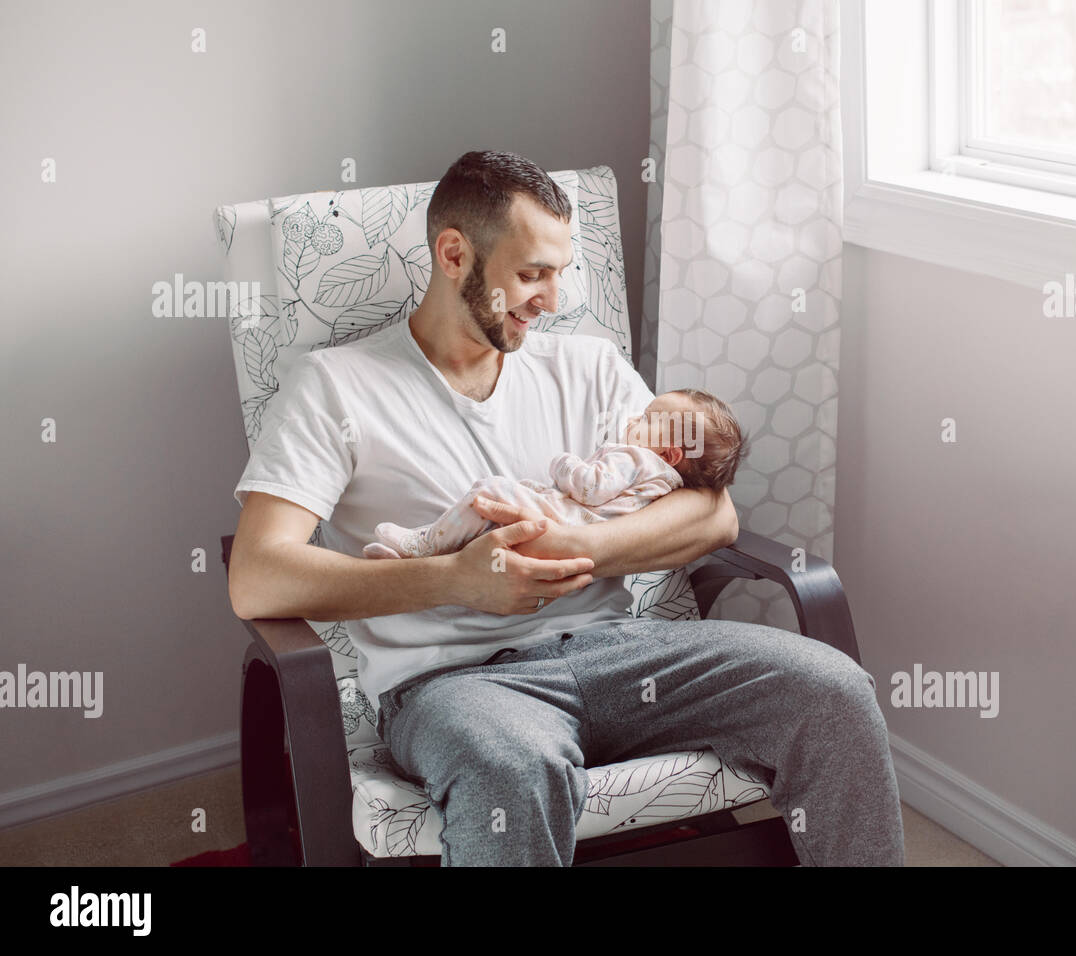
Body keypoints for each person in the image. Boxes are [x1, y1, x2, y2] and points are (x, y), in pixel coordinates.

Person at [227, 149, 905, 866]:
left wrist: (572, 552)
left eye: (560, 271)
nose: (552, 299)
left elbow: (713, 515)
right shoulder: (336, 386)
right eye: (531, 275)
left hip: (627, 655)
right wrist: (458, 579)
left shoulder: (588, 365)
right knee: (513, 770)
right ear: (454, 254)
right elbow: (259, 575)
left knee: (833, 691)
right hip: (457, 686)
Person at [360, 388, 748, 559]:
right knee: (503, 506)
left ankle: (424, 545)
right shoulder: (668, 482)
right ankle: (423, 556)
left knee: (491, 490)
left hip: (571, 520)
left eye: (647, 419)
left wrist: (565, 465)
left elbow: (591, 488)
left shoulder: (637, 459)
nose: (633, 419)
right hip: (573, 522)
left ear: (672, 451)